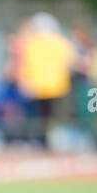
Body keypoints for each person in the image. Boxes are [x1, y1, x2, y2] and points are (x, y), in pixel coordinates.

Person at [16, 12, 76, 145]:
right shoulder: (60, 41)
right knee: (58, 118)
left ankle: (44, 141)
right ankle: (58, 141)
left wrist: (24, 82)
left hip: (38, 88)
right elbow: (71, 61)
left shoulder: (31, 43)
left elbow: (24, 65)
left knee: (41, 118)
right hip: (59, 86)